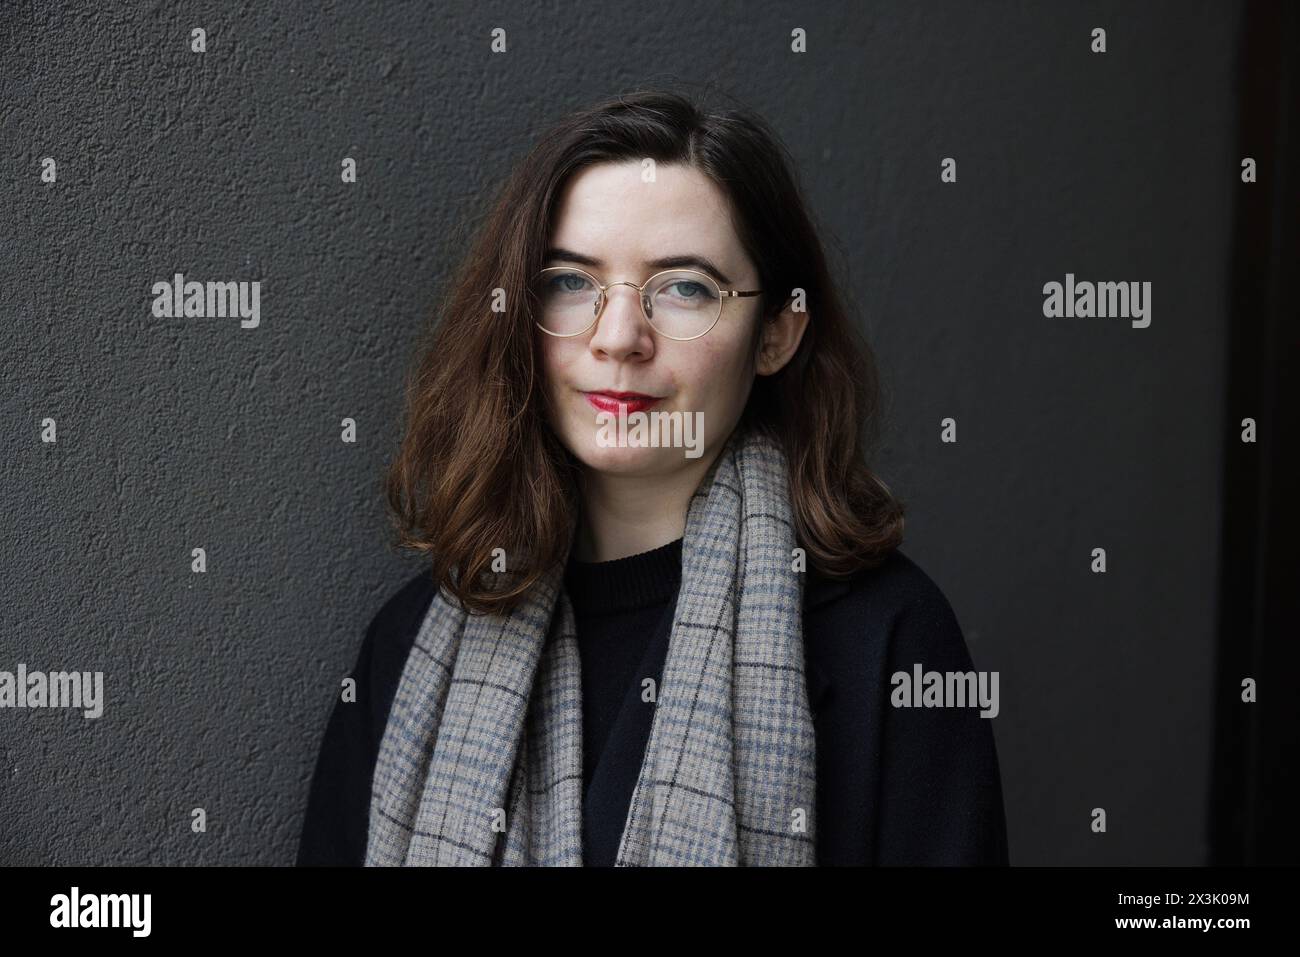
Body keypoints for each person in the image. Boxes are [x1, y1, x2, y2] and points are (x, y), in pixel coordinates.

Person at [297, 88, 1009, 867]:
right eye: (571, 281)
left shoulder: (890, 638)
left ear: (776, 333)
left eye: (685, 287)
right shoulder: (410, 645)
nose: (619, 336)